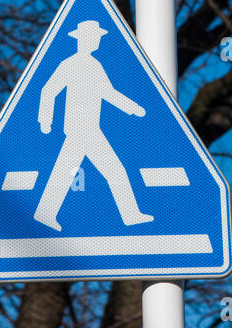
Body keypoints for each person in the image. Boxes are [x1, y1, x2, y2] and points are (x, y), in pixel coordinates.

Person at [33, 19, 154, 231]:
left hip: (89, 128)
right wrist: (45, 120)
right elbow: (48, 90)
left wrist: (132, 107)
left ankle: (45, 213)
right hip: (80, 129)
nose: (98, 40)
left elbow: (108, 92)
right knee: (114, 171)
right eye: (95, 37)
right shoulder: (70, 64)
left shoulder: (94, 65)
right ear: (84, 39)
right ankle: (131, 216)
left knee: (69, 171)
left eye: (98, 37)